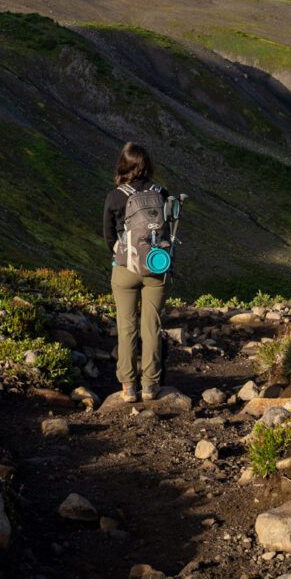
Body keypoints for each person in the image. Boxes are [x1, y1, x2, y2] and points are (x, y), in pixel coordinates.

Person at [102, 141, 168, 403]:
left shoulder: (116, 196)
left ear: (123, 165)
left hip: (124, 268)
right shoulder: (162, 192)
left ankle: (129, 387)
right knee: (152, 325)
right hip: (156, 266)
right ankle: (151, 385)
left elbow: (108, 235)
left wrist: (121, 253)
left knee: (126, 325)